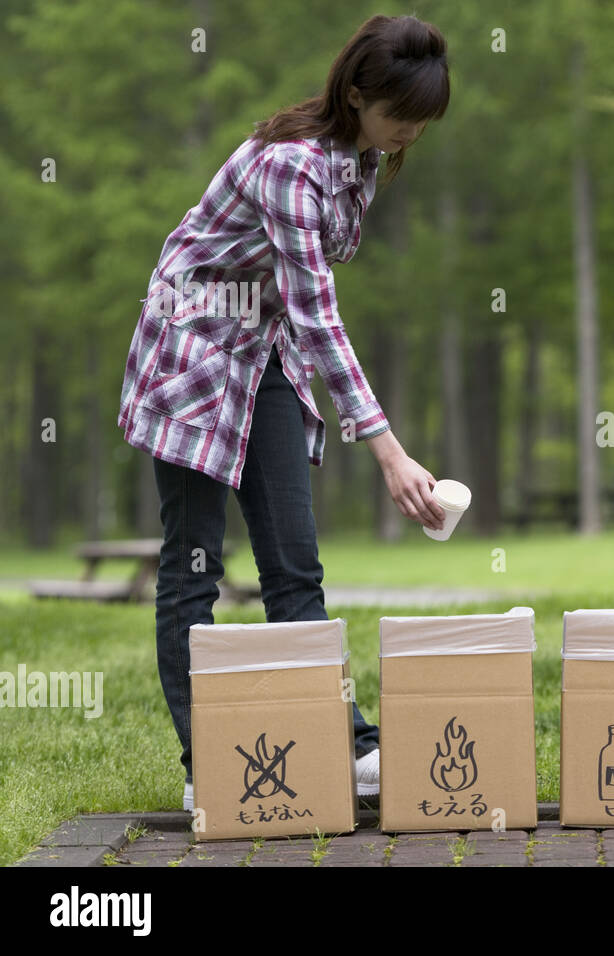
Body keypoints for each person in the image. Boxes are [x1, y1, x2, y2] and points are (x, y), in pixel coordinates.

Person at [116, 14, 451, 810]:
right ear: (359, 93)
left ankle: (350, 747)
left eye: (423, 122)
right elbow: (317, 312)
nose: (410, 134)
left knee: (294, 564)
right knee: (194, 563)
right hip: (194, 349)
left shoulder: (362, 160)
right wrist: (390, 450)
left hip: (262, 353)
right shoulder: (292, 166)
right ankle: (208, 766)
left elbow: (298, 315)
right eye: (402, 115)